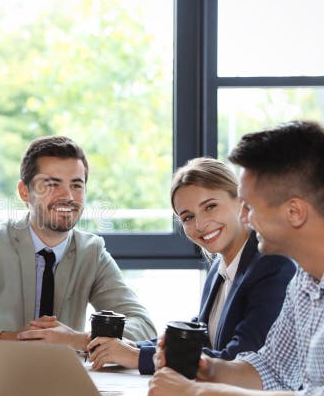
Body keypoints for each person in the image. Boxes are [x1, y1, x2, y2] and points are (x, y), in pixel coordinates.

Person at [145, 121, 324, 396]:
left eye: (249, 206)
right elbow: (271, 369)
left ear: (294, 211)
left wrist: (197, 395)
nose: (243, 217)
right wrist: (205, 369)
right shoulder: (307, 279)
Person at [0, 135, 157, 349]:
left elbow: (143, 326)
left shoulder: (91, 252)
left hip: (64, 381)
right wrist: (9, 339)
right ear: (25, 192)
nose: (68, 196)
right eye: (52, 184)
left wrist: (76, 339)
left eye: (76, 185)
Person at [87, 157, 295, 373]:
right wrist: (135, 346)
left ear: (241, 201)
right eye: (188, 217)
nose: (201, 225)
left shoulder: (273, 266)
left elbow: (241, 359)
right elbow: (201, 337)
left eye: (210, 206)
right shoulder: (220, 267)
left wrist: (138, 356)